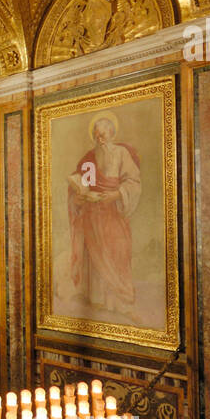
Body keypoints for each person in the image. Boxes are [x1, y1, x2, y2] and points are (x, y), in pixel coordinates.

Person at [66, 112, 141, 316]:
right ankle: (96, 299)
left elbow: (133, 182)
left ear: (112, 134)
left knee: (117, 252)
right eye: (96, 136)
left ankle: (118, 301)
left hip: (113, 212)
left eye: (103, 135)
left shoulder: (122, 154)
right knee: (93, 256)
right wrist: (78, 198)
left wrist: (117, 194)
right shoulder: (88, 158)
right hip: (92, 214)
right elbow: (78, 186)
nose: (100, 140)